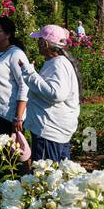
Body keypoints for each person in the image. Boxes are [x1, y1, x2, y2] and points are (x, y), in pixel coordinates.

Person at [19, 24, 81, 162]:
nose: (37, 44)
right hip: (52, 131)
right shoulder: (56, 62)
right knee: (57, 177)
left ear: (44, 43)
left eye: (38, 40)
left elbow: (56, 94)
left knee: (45, 177)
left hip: (50, 132)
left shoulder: (58, 64)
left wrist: (30, 74)